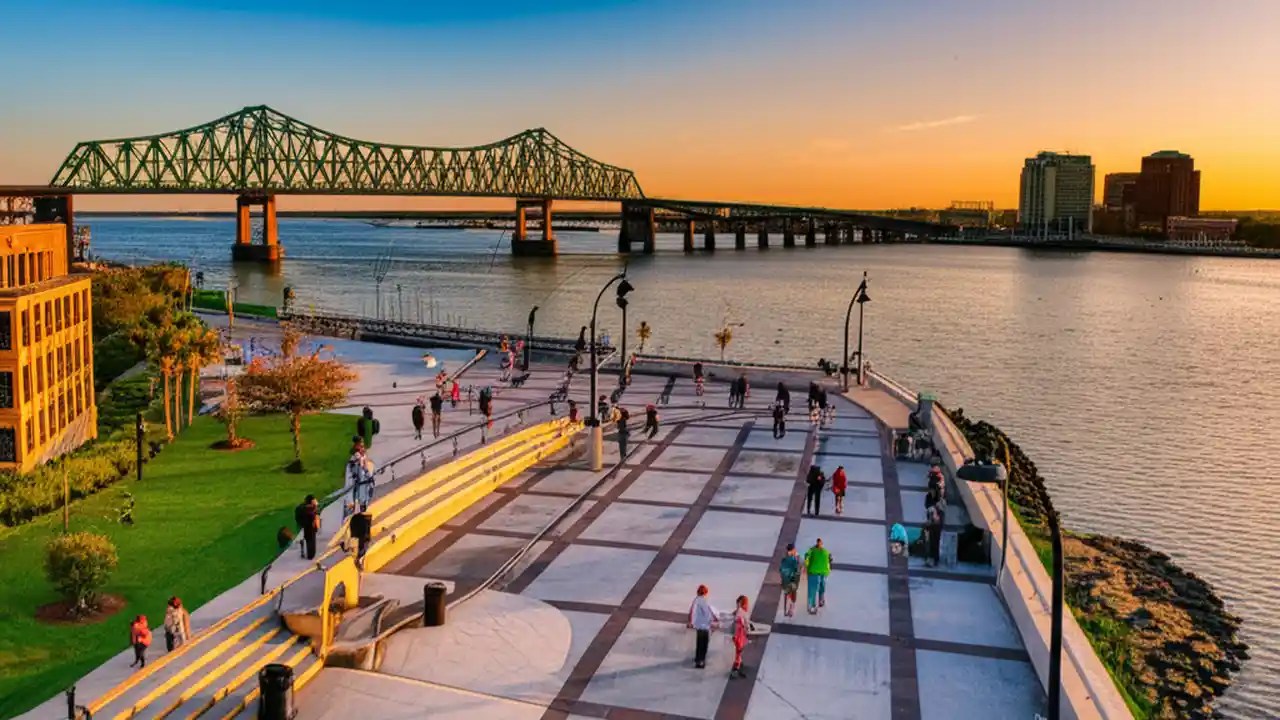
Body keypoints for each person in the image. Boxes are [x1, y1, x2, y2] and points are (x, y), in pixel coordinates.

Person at [687, 584, 720, 669]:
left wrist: (691, 622)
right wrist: (715, 621)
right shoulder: (705, 601)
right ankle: (702, 660)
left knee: (699, 643)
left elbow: (692, 612)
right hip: (705, 626)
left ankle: (698, 659)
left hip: (698, 626)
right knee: (704, 645)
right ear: (705, 593)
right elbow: (711, 613)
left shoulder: (696, 600)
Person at [804, 538, 832, 613]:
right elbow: (830, 560)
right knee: (821, 586)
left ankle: (812, 605)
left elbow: (806, 558)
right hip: (822, 572)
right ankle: (819, 601)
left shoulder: (812, 551)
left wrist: (806, 567)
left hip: (814, 571)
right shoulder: (825, 552)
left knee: (813, 589)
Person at [925, 485, 947, 567]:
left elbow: (942, 509)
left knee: (936, 541)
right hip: (931, 522)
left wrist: (936, 511)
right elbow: (927, 506)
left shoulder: (940, 499)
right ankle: (930, 558)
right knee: (930, 540)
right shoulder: (928, 497)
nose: (931, 492)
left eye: (933, 490)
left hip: (937, 524)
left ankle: (934, 558)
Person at [730, 595, 750, 679]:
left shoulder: (738, 611)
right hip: (740, 635)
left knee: (738, 652)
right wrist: (747, 629)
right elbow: (745, 624)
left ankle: (738, 665)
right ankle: (736, 669)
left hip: (737, 635)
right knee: (739, 651)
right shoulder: (742, 613)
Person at [295, 494, 320, 560]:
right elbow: (315, 515)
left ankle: (307, 553)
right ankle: (310, 555)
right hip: (309, 527)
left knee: (308, 539)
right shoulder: (310, 508)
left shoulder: (302, 507)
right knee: (310, 540)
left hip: (305, 526)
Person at [778, 543, 801, 617]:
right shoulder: (794, 559)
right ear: (793, 550)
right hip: (792, 580)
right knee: (793, 594)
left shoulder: (784, 559)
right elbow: (797, 570)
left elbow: (781, 569)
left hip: (785, 580)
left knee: (787, 594)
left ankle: (787, 609)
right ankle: (791, 608)